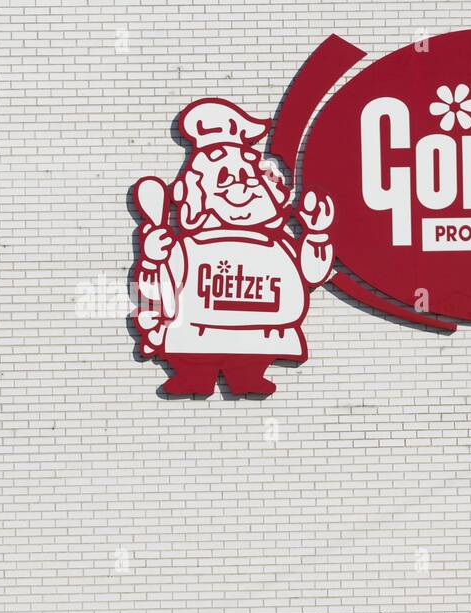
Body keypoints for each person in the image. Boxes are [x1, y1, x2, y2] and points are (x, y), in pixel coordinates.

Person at [131, 98, 334, 396]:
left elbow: (311, 273)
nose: (240, 189)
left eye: (249, 182)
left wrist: (316, 233)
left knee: (252, 356)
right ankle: (193, 376)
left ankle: (249, 375)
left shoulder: (276, 243)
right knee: (192, 350)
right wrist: (153, 258)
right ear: (196, 194)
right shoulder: (192, 245)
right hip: (198, 330)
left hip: (262, 332)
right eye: (225, 182)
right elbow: (163, 283)